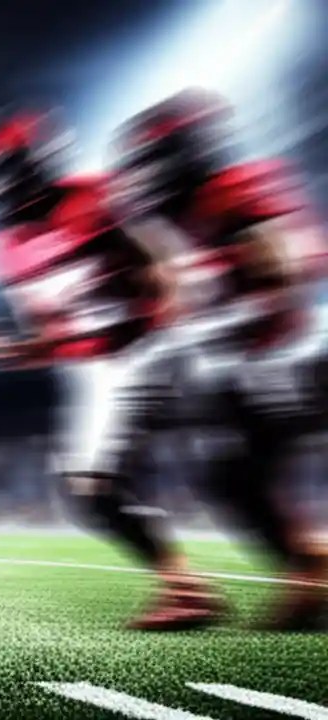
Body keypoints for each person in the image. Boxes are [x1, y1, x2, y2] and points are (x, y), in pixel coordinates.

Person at [0, 105, 226, 630]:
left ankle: (188, 588)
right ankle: (188, 586)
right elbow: (53, 334)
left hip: (139, 348)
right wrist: (17, 352)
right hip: (93, 367)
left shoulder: (95, 199)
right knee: (86, 493)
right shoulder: (5, 248)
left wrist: (167, 318)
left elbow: (166, 265)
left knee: (106, 483)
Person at [109, 88, 327, 629]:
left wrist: (197, 330)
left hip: (297, 351)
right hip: (257, 359)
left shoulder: (234, 190)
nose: (142, 181)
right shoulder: (182, 220)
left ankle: (308, 565)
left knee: (232, 471)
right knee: (228, 475)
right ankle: (308, 565)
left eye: (150, 165)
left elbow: (282, 273)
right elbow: (188, 296)